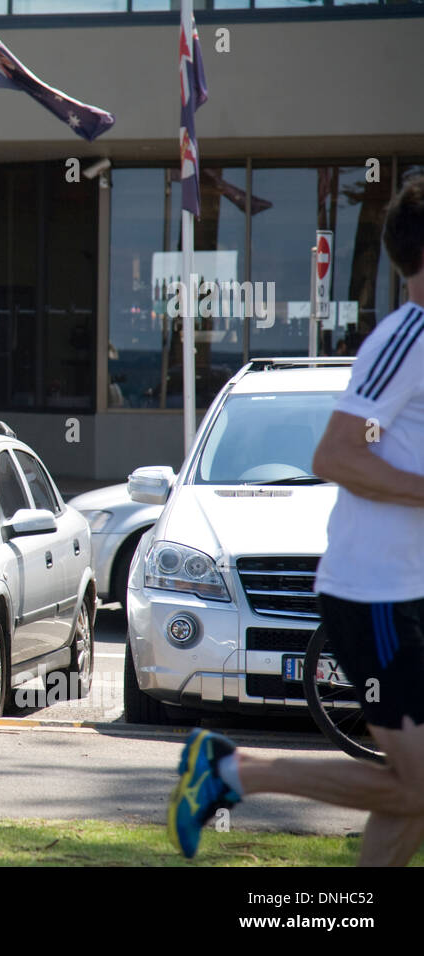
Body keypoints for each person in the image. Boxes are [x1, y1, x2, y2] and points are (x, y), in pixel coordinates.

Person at [169, 176, 424, 865]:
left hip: (410, 594)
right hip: (376, 596)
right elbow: (338, 453)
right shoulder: (407, 339)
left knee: (412, 792)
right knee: (419, 785)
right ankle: (231, 771)